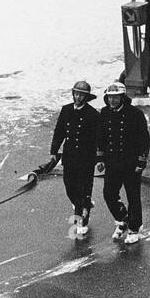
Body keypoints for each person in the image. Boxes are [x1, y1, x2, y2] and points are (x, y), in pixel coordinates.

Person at [96, 82, 150, 244]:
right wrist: (100, 158)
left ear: (122, 97)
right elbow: (101, 137)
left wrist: (141, 161)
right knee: (109, 194)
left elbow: (144, 139)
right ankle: (123, 218)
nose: (112, 101)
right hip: (112, 162)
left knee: (133, 196)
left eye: (115, 98)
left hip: (131, 163)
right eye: (109, 97)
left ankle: (134, 228)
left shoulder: (135, 114)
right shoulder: (104, 113)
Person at [50, 81, 99, 238]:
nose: (78, 97)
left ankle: (81, 221)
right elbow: (59, 131)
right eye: (76, 94)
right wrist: (53, 151)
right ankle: (84, 204)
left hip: (86, 158)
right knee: (69, 186)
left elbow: (98, 138)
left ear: (86, 97)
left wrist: (100, 158)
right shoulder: (66, 110)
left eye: (81, 95)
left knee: (83, 189)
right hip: (69, 156)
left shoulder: (93, 114)